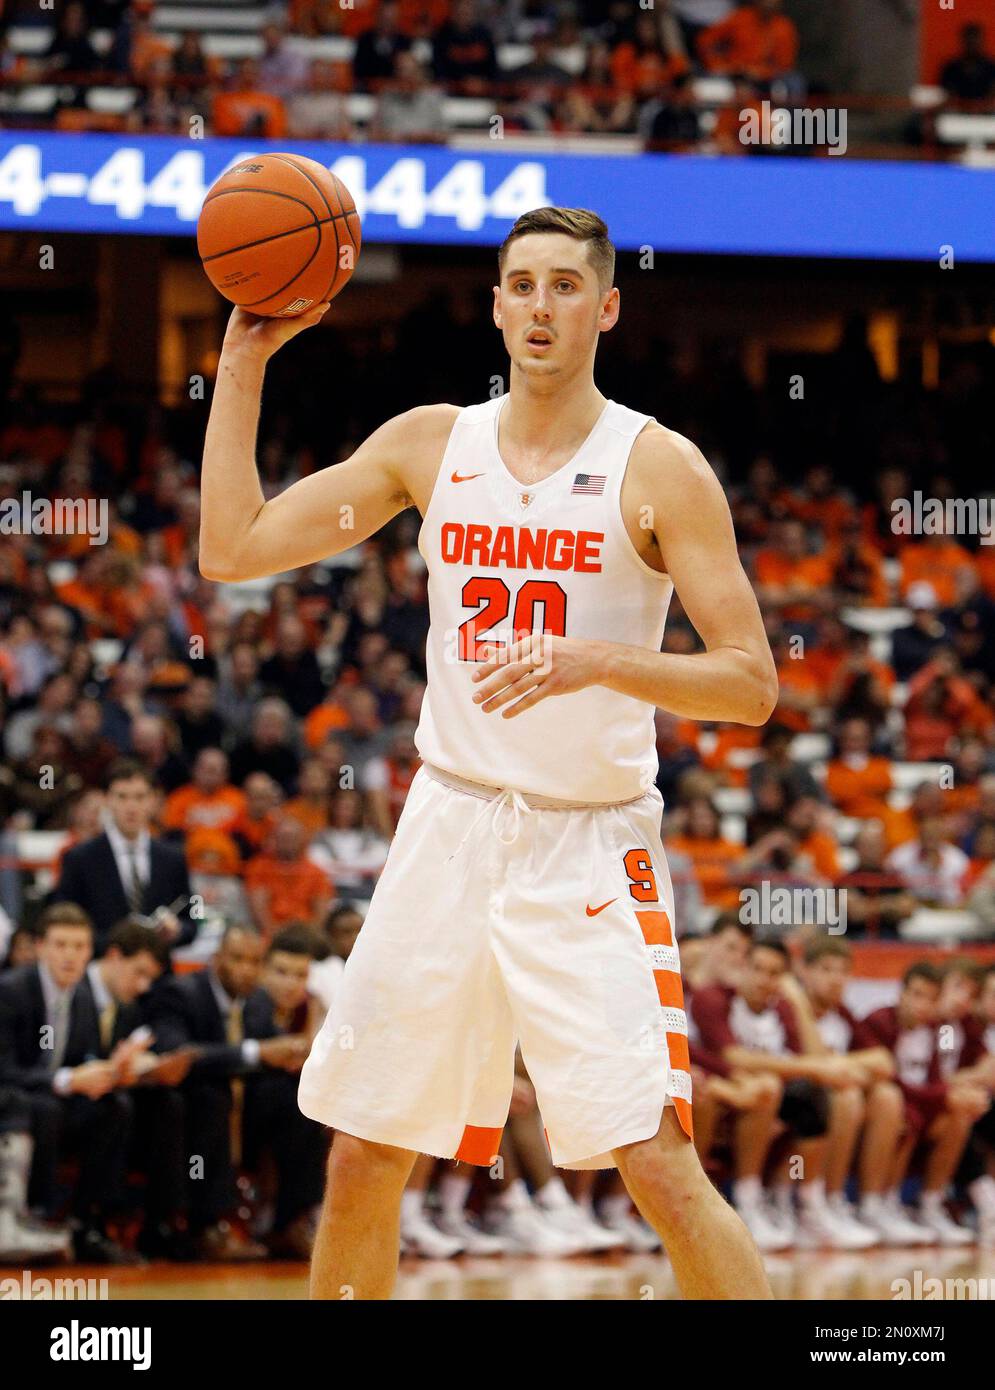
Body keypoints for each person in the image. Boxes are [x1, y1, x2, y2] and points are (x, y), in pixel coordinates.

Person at [199, 205, 779, 1300]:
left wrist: (595, 660)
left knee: (653, 1159)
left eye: (566, 286)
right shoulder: (432, 443)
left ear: (605, 307)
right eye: (522, 285)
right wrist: (238, 367)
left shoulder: (658, 467)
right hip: (449, 825)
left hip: (587, 845)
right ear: (497, 304)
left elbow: (749, 682)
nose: (541, 306)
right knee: (364, 1149)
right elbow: (232, 548)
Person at [54, 759, 194, 953]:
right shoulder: (79, 858)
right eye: (122, 797)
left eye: (140, 797)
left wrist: (177, 930)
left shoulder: (173, 858)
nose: (131, 806)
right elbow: (64, 921)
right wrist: (116, 944)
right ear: (107, 800)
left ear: (153, 800)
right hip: (102, 969)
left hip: (158, 975)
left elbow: (193, 918)